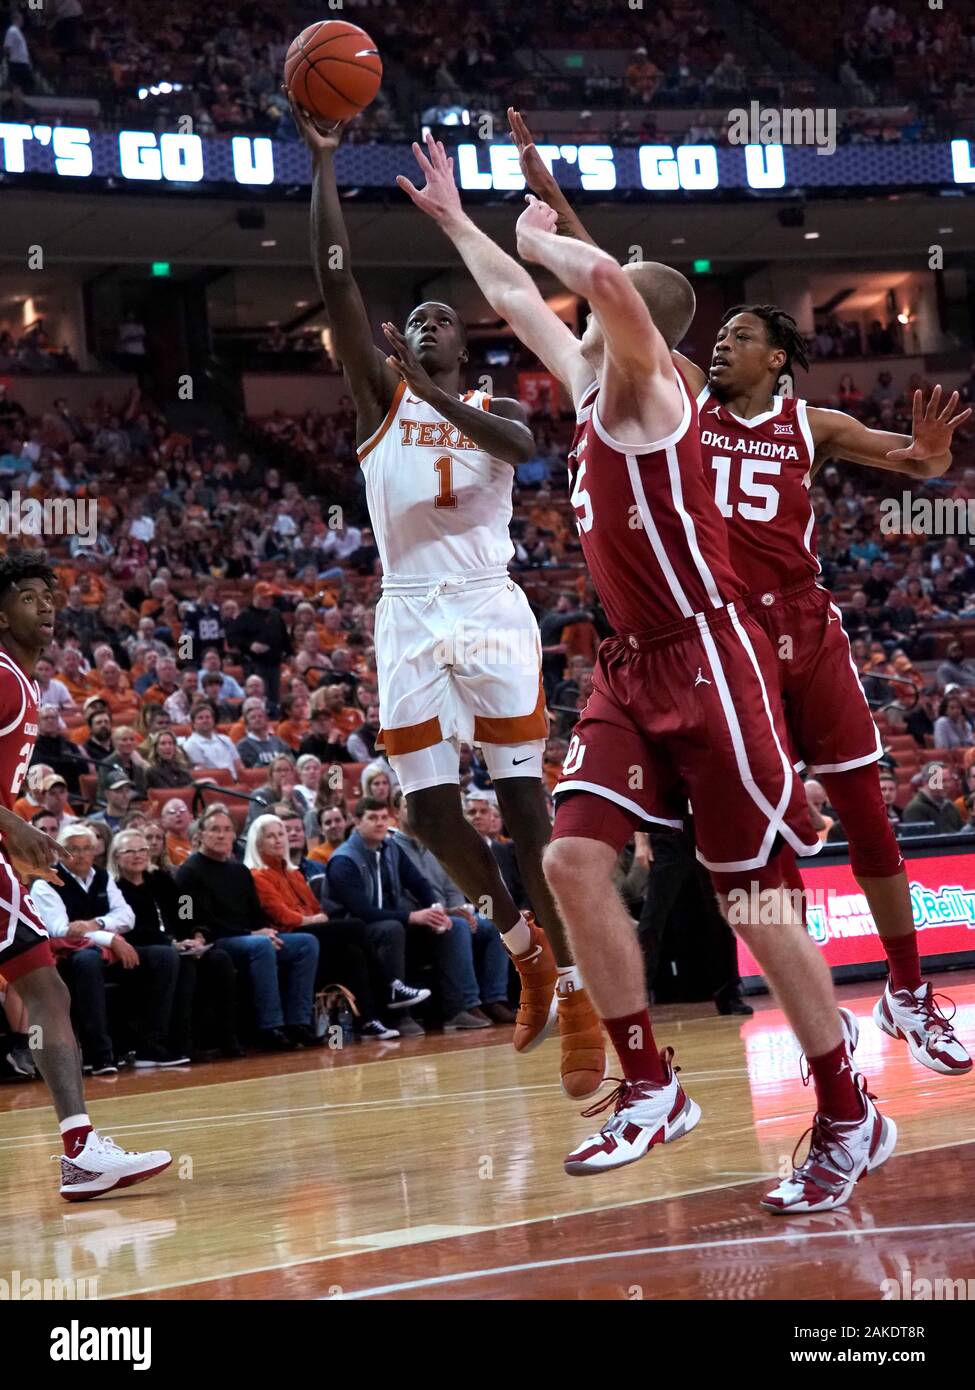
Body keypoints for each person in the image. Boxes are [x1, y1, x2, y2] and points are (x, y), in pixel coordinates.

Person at [423, 117, 899, 1209]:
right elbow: (514, 300)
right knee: (571, 863)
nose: (580, 307)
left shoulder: (651, 388)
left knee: (758, 905)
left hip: (710, 656)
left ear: (631, 311)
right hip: (629, 667)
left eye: (601, 293)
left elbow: (601, 285)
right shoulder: (592, 380)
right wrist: (458, 219)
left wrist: (549, 233)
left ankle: (846, 1109)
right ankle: (650, 1083)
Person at [293, 101, 600, 1096]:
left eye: (439, 320)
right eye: (411, 320)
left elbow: (524, 451)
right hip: (410, 606)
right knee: (427, 814)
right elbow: (334, 280)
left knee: (525, 804)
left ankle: (585, 993)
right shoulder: (377, 398)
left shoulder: (495, 408)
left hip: (487, 603)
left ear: (460, 345)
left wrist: (434, 394)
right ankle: (523, 949)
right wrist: (326, 167)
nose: (422, 324)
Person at [0, 552, 170, 1197]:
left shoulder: (26, 680)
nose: (44, 605)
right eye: (26, 595)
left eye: (50, 595)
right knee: (46, 992)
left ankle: (80, 1151)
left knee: (46, 989)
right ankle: (79, 1151)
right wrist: (13, 823)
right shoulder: (3, 678)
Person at [173, 805, 319, 1050]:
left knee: (306, 943)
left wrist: (266, 930)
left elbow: (255, 914)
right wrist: (252, 934)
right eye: (215, 830)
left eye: (227, 830)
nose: (221, 835)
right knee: (261, 946)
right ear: (201, 836)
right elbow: (191, 919)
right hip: (215, 940)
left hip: (249, 937)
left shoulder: (239, 870)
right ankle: (270, 1027)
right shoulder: (188, 872)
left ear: (234, 835)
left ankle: (299, 1022)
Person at [245, 813, 397, 1041]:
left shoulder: (293, 873)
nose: (278, 840)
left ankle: (369, 1020)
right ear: (258, 843)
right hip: (289, 934)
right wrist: (311, 920)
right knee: (355, 926)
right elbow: (280, 914)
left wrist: (318, 918)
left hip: (311, 929)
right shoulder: (257, 875)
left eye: (280, 835)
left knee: (352, 953)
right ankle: (390, 986)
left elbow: (317, 907)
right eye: (270, 837)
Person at [391, 790, 514, 1026]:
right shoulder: (393, 849)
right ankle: (463, 1006)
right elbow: (402, 897)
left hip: (449, 914)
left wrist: (462, 909)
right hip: (419, 921)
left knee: (494, 923)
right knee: (457, 926)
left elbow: (451, 886)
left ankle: (495, 999)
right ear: (396, 813)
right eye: (408, 807)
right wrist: (448, 913)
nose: (416, 812)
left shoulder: (436, 845)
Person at [902, 763, 965, 834]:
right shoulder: (914, 809)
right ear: (926, 782)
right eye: (942, 781)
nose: (948, 785)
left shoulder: (950, 806)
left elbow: (962, 833)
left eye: (949, 780)